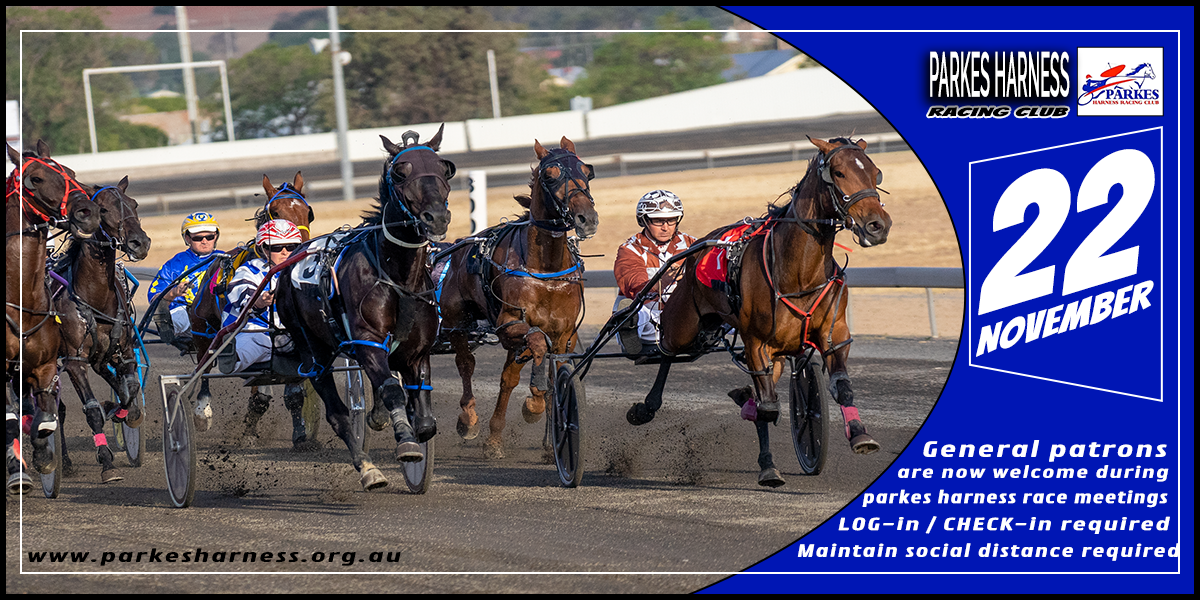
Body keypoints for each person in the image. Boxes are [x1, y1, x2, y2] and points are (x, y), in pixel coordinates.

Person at [612, 190, 697, 354]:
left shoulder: (692, 245)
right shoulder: (630, 249)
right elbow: (633, 285)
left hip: (685, 320)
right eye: (658, 221)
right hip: (649, 326)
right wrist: (661, 282)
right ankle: (628, 329)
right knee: (635, 309)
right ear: (644, 220)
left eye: (671, 220)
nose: (665, 227)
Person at [219, 219, 302, 374]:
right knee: (253, 343)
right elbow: (241, 294)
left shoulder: (304, 270)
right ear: (263, 249)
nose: (285, 252)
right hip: (257, 331)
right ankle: (233, 358)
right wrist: (259, 302)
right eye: (276, 247)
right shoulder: (250, 270)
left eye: (291, 247)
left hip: (295, 333)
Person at [147, 211, 225, 343]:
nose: (204, 241)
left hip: (219, 311)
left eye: (209, 237)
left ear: (216, 236)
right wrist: (173, 293)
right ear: (187, 238)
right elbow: (154, 298)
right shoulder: (174, 264)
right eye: (198, 238)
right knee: (178, 320)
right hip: (185, 314)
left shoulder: (226, 259)